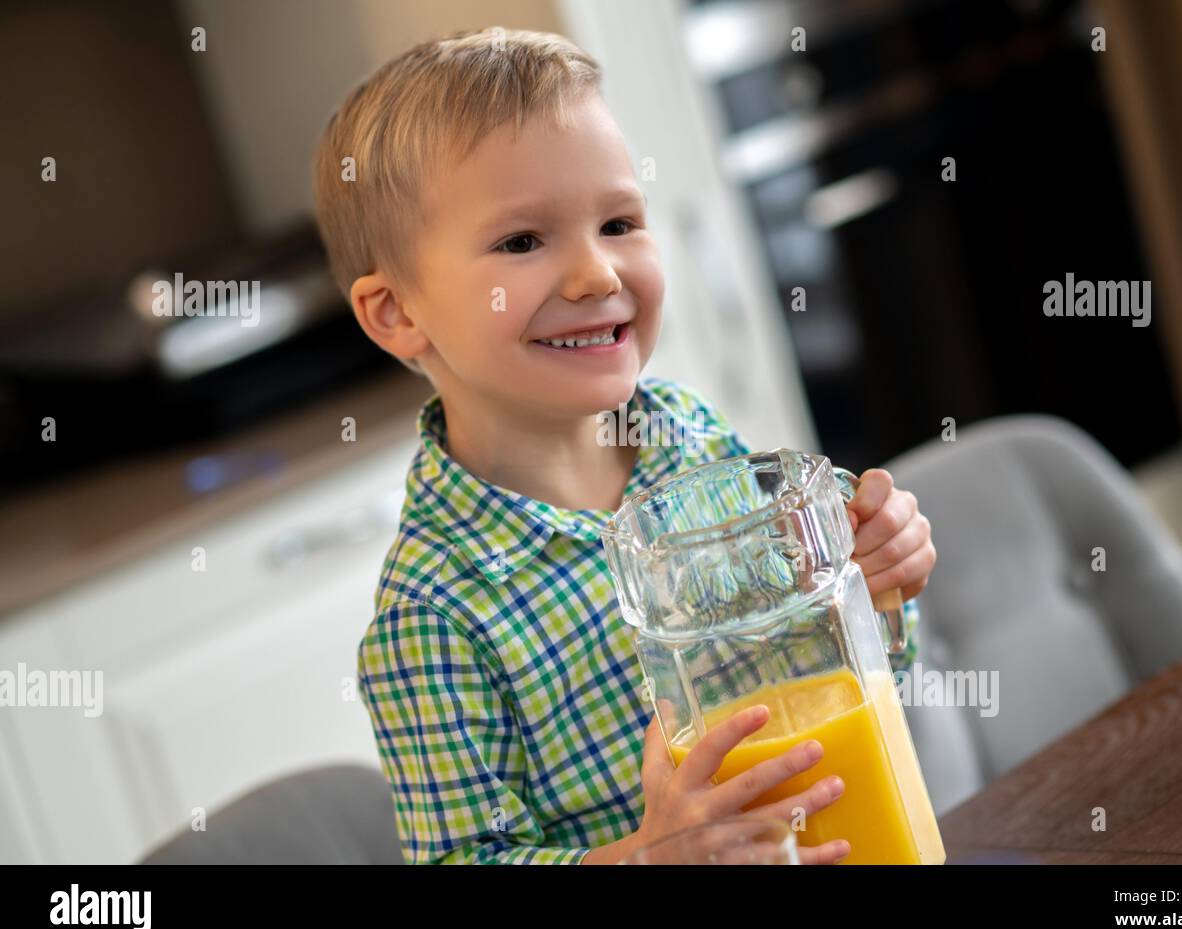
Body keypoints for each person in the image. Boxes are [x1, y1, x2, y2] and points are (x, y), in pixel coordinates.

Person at [311, 27, 935, 864]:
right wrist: (647, 855)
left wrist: (875, 589)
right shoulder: (433, 616)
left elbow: (843, 671)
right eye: (523, 242)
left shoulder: (694, 439)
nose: (597, 275)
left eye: (618, 221)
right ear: (397, 313)